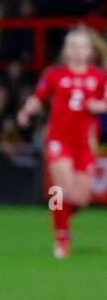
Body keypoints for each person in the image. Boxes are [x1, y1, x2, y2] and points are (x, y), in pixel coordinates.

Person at [17, 24, 107, 258]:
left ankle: (61, 216)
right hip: (59, 139)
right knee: (61, 189)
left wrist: (100, 106)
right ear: (66, 50)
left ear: (90, 51)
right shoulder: (54, 74)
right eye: (73, 46)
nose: (77, 51)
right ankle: (61, 238)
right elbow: (38, 98)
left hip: (85, 143)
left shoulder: (99, 78)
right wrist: (27, 111)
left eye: (81, 46)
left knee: (81, 198)